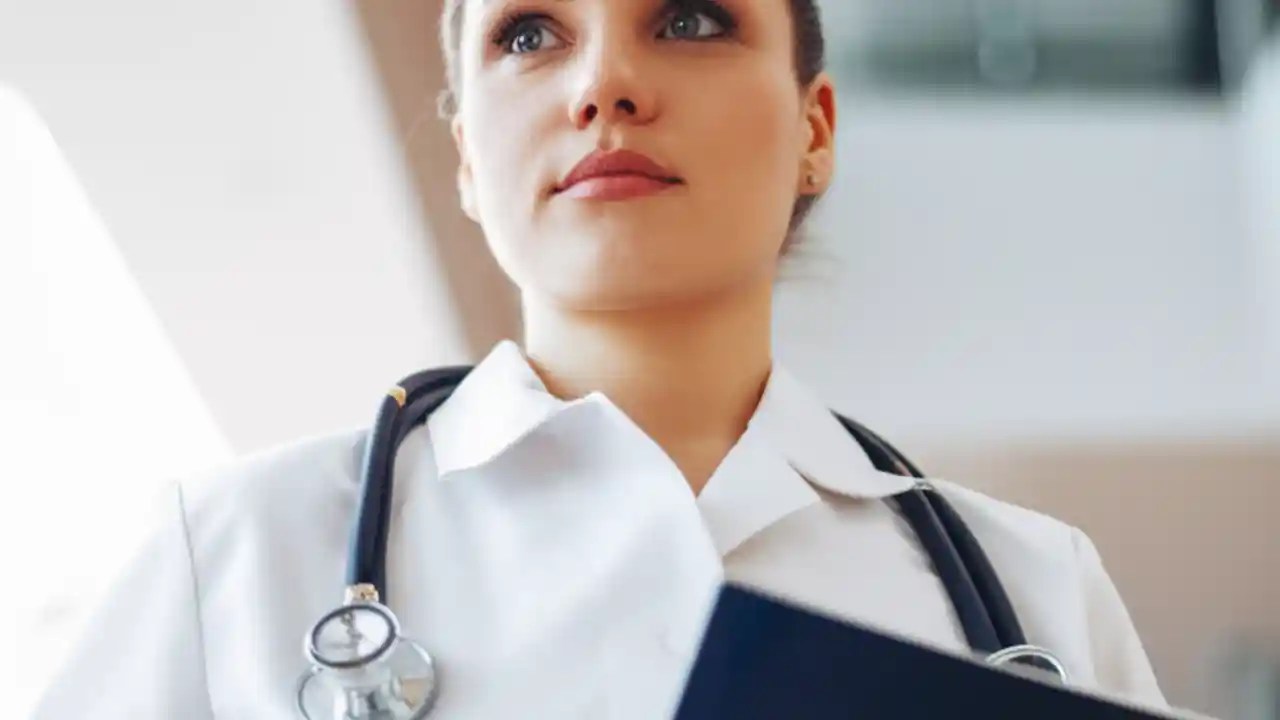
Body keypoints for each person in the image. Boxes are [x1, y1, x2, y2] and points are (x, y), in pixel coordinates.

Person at [33, 0, 1168, 717]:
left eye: (686, 20)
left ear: (813, 128)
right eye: (528, 35)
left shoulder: (1036, 591)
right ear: (468, 158)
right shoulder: (233, 554)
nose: (601, 86)